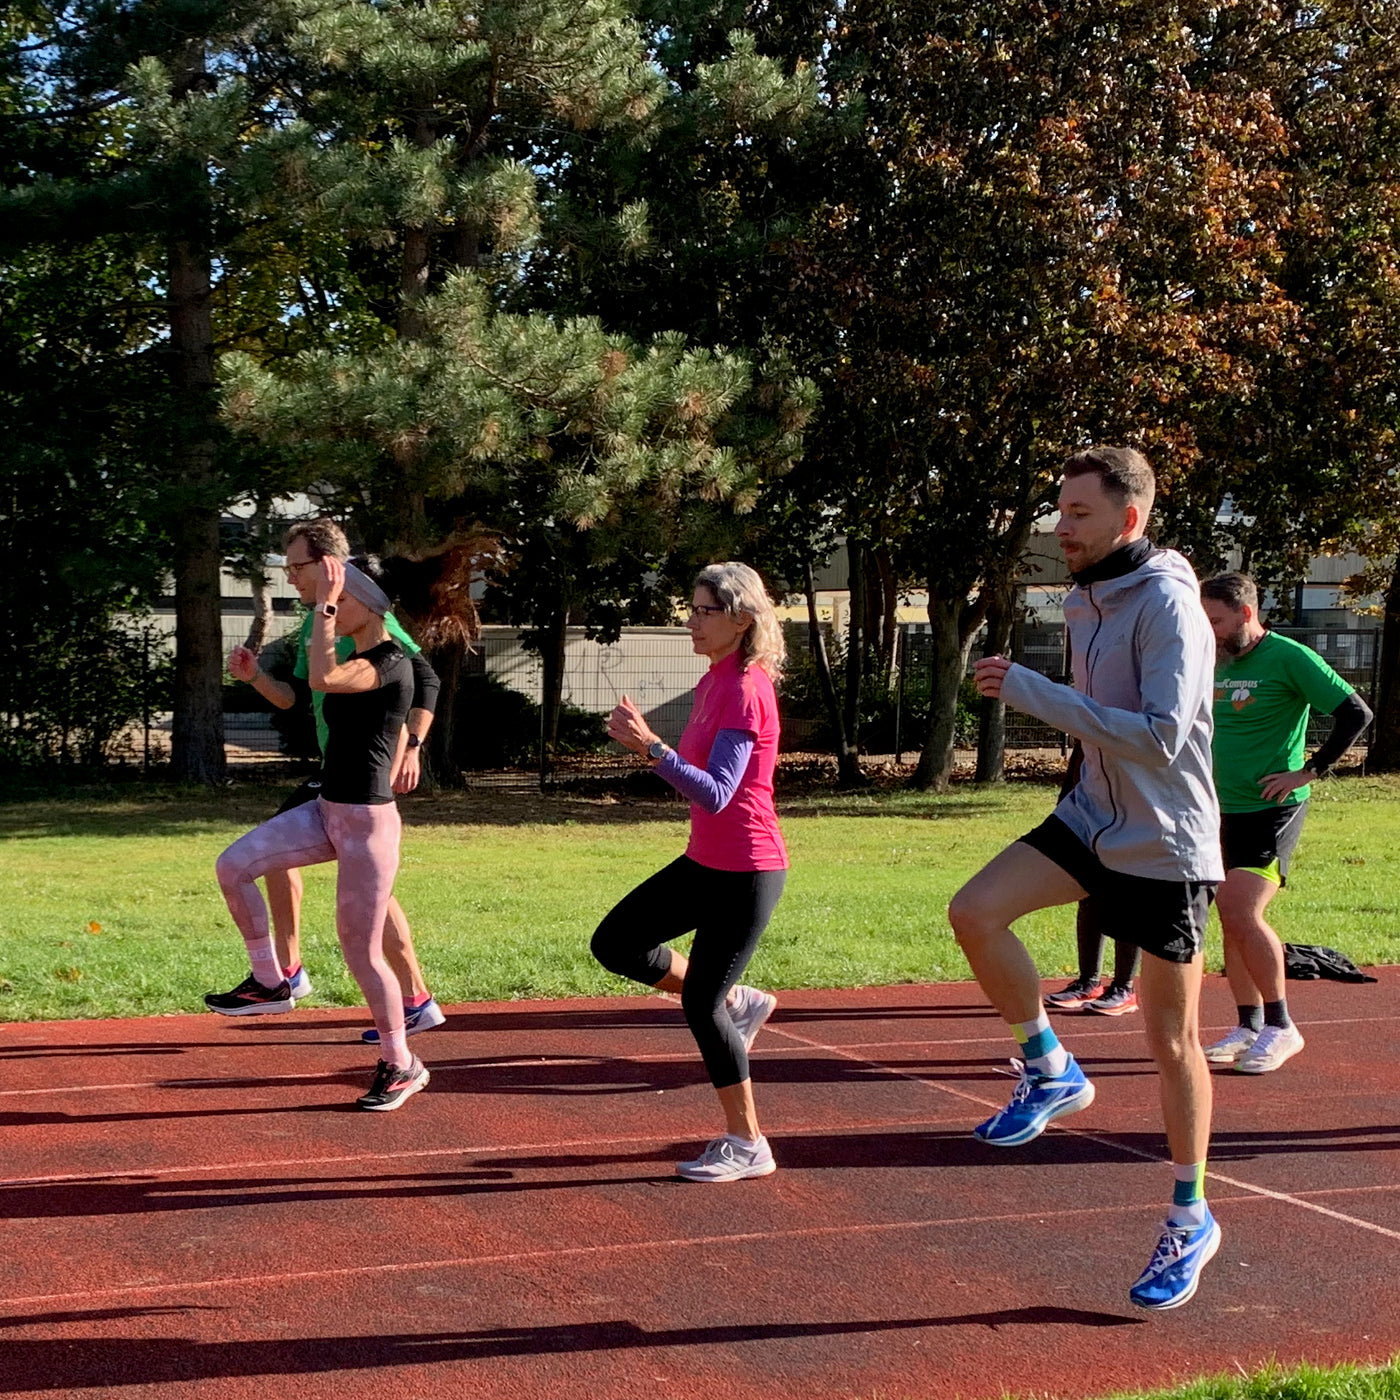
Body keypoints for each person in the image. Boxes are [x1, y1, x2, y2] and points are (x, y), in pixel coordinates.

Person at [948, 445, 1223, 1311]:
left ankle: (1190, 1216)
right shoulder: (1081, 596)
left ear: (1127, 520)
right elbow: (1100, 727)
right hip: (1091, 821)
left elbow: (1162, 737)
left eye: (1077, 515)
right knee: (974, 911)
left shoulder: (1171, 605)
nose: (1059, 529)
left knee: (1171, 1042)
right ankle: (1049, 1066)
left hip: (1165, 846)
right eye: (1058, 512)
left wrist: (1035, 693)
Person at [209, 556, 429, 1110]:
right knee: (232, 866)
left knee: (360, 950)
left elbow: (326, 676)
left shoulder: (392, 659)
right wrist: (257, 676)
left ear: (366, 607)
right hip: (326, 808)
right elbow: (307, 685)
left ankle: (401, 1063)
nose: (324, 610)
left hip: (368, 826)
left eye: (339, 602)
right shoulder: (353, 648)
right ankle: (271, 980)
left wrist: (328, 604)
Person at [591, 562, 787, 1183]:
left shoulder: (746, 688)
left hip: (748, 869)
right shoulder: (713, 680)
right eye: (692, 608)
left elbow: (718, 793)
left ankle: (747, 1143)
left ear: (742, 619)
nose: (691, 621)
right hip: (707, 862)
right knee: (616, 942)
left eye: (704, 611)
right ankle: (739, 1000)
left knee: (700, 1006)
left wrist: (651, 747)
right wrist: (651, 748)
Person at [1198, 572, 1373, 1074]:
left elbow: (1355, 713)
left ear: (1246, 614)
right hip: (1218, 808)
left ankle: (1282, 1025)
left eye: (1217, 621)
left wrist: (1309, 770)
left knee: (1241, 908)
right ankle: (1249, 1023)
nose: (1209, 630)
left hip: (1273, 808)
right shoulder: (1212, 657)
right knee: (1229, 918)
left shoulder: (1290, 657)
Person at [1043, 747, 1141, 1016]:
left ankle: (1124, 988)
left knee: (1126, 897)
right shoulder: (1088, 715)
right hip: (1089, 811)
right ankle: (1089, 982)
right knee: (1088, 894)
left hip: (1130, 813)